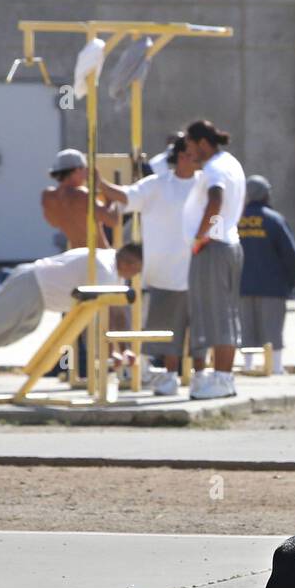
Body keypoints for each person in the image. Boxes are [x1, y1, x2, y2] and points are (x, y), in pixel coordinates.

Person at [0, 244, 143, 399]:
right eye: (137, 269)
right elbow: (106, 316)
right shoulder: (105, 270)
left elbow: (118, 311)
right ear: (129, 263)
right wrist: (115, 350)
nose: (137, 275)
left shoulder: (110, 261)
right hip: (30, 285)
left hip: (39, 294)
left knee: (0, 336)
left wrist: (123, 348)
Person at [99, 133, 199, 396]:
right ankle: (168, 377)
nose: (196, 159)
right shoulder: (156, 184)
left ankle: (201, 376)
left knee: (200, 332)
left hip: (199, 270)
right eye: (190, 154)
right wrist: (99, 182)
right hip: (164, 273)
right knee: (167, 332)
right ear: (179, 156)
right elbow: (125, 196)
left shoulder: (206, 185)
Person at [184, 118, 247, 399]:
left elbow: (215, 200)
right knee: (226, 312)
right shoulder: (230, 162)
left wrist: (200, 236)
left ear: (203, 144)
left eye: (190, 147)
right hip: (227, 242)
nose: (188, 154)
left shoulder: (214, 169)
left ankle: (221, 379)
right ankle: (223, 377)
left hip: (213, 246)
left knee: (216, 314)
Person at [239, 175, 295, 375]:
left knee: (247, 327)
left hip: (242, 285)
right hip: (272, 285)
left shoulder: (235, 219)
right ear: (265, 194)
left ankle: (248, 365)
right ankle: (275, 366)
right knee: (272, 327)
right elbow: (291, 253)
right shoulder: (274, 219)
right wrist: (293, 282)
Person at [42, 148, 120, 250]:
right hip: (97, 256)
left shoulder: (48, 196)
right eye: (85, 168)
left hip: (75, 254)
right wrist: (111, 195)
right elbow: (113, 220)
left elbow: (54, 223)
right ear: (77, 170)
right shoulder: (82, 194)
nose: (86, 173)